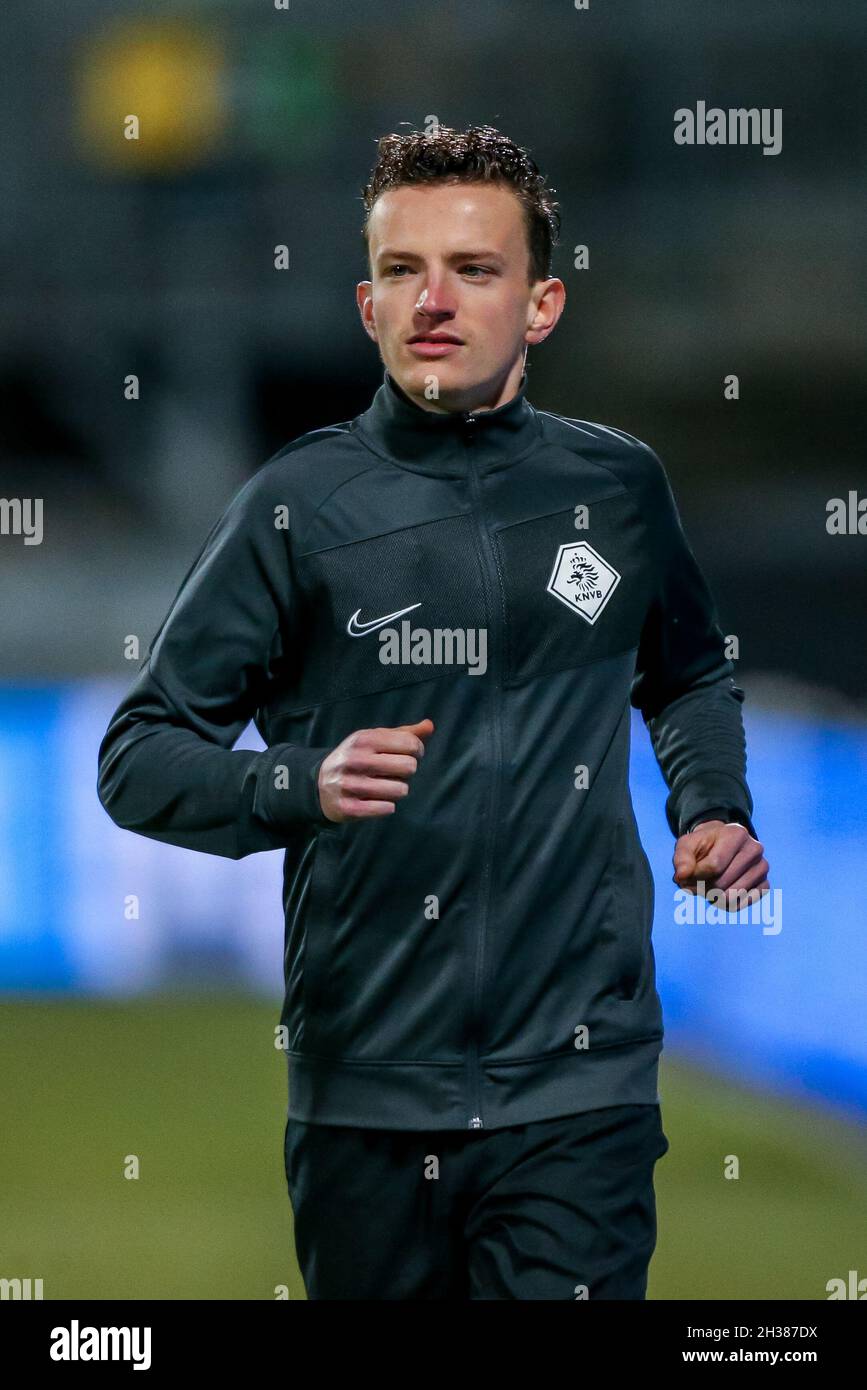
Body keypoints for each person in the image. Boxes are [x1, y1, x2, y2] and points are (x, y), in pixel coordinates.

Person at [97, 124, 770, 1300]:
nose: (434, 299)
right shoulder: (296, 507)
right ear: (367, 304)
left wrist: (710, 803)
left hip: (581, 1088)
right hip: (365, 1097)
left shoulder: (617, 489)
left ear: (543, 303)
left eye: (474, 268)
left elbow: (690, 669)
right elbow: (138, 753)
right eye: (404, 270)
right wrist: (297, 782)